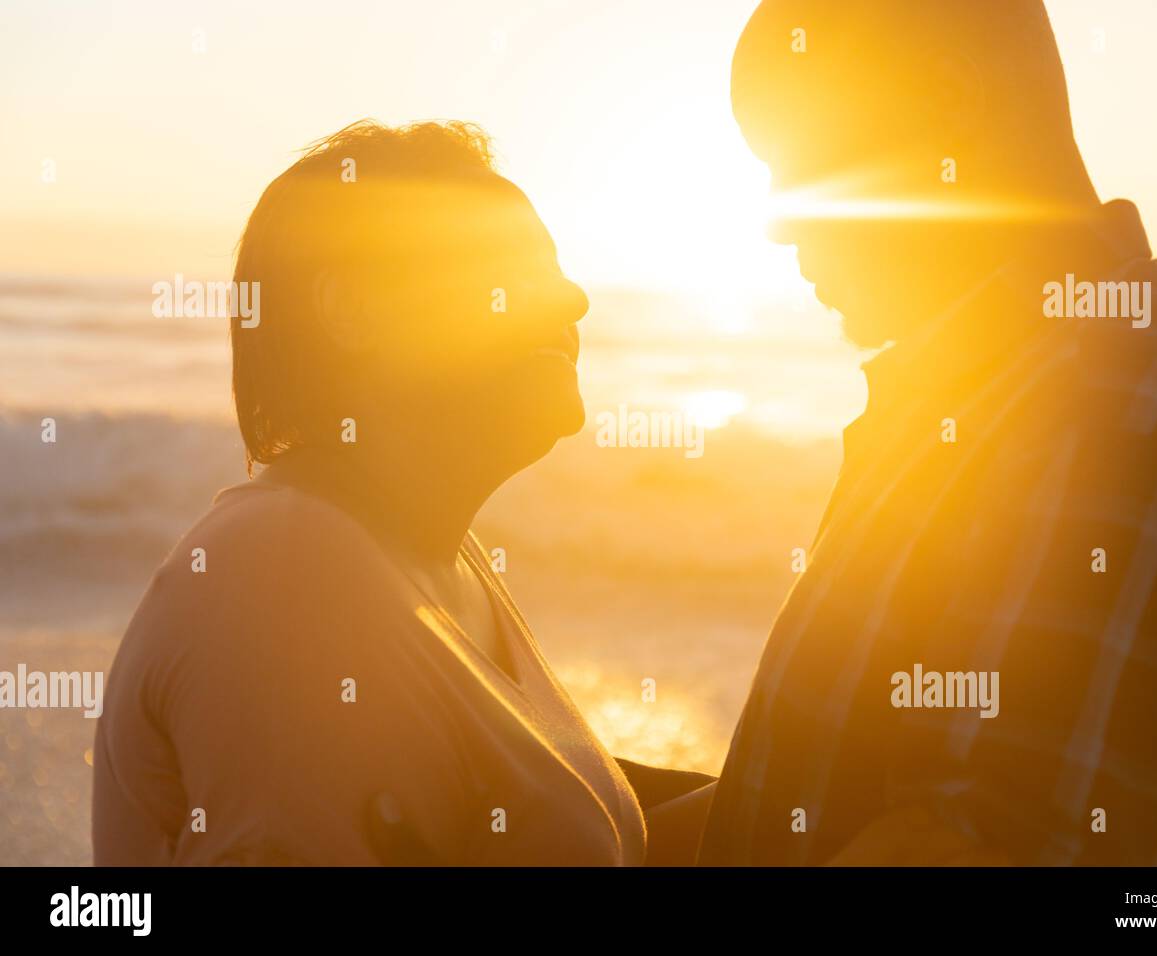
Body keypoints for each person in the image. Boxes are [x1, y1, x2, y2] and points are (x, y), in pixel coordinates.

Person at [698, 0, 1157, 866]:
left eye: (797, 161)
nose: (777, 222)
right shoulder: (1000, 396)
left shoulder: (1137, 423)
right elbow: (836, 791)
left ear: (952, 102)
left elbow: (992, 844)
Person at [93, 120, 710, 866]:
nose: (573, 299)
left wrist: (832, 787)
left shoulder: (437, 560)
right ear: (352, 311)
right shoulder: (281, 572)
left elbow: (590, 837)